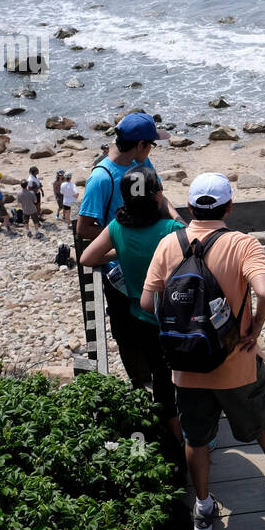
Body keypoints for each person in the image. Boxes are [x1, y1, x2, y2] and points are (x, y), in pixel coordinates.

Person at [141, 173, 265, 530]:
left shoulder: (169, 244)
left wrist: (179, 331)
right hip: (235, 363)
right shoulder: (242, 244)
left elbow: (146, 301)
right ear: (229, 207)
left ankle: (203, 507)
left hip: (186, 366)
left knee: (196, 437)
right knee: (263, 418)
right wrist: (254, 328)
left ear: (190, 208)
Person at [81, 166, 185, 454]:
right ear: (155, 196)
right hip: (173, 318)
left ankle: (166, 435)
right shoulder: (170, 229)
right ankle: (184, 442)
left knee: (158, 378)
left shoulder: (116, 228)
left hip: (140, 318)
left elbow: (87, 257)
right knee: (175, 380)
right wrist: (172, 209)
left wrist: (120, 251)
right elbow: (192, 240)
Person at [77, 112, 175, 391]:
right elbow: (84, 228)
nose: (152, 150)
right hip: (122, 274)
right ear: (141, 144)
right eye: (152, 144)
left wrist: (178, 221)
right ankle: (142, 388)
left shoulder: (142, 162)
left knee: (162, 326)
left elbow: (160, 197)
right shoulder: (102, 178)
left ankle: (167, 388)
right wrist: (126, 241)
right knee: (129, 335)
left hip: (155, 265)